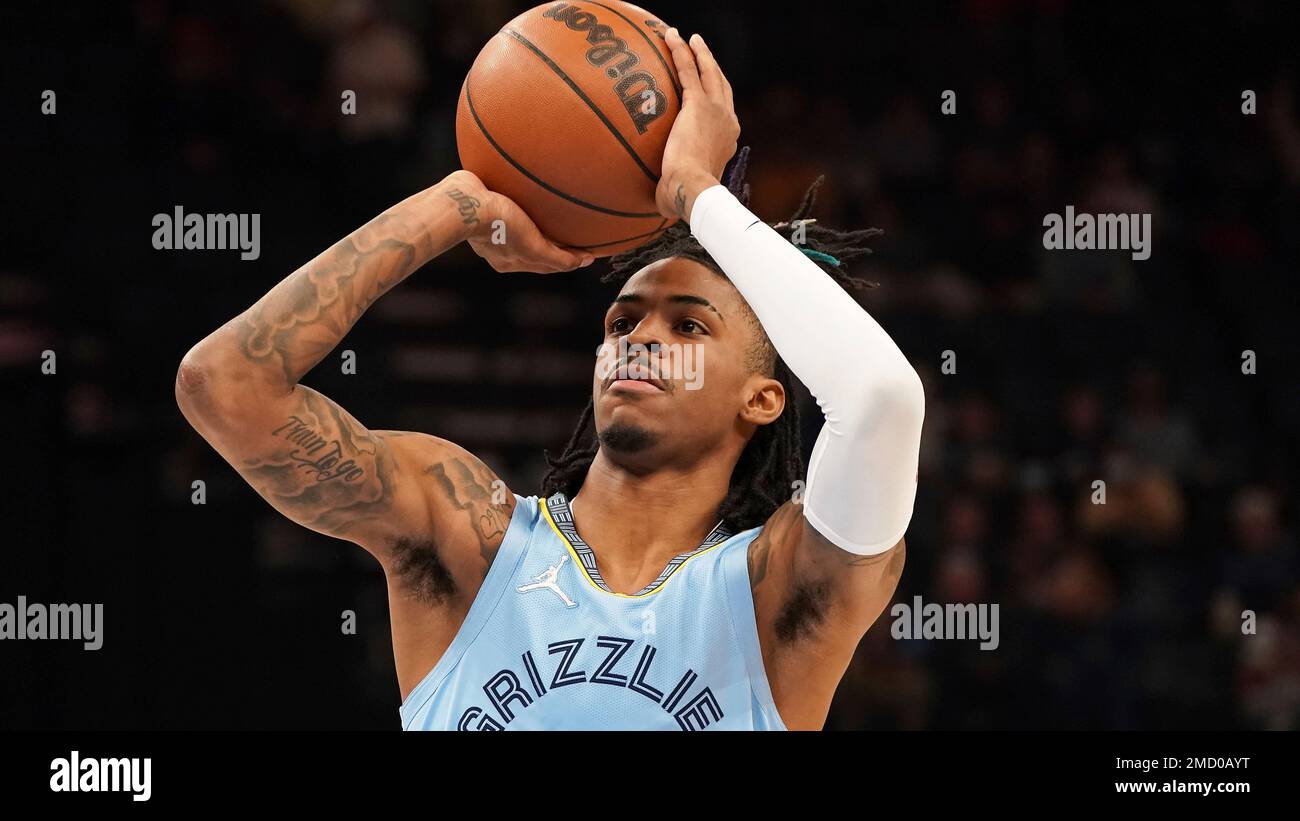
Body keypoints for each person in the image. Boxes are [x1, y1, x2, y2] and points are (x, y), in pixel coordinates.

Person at [175, 28, 923, 730]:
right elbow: (225, 384)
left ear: (761, 398)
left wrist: (698, 193)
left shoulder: (777, 593)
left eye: (688, 325)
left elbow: (882, 399)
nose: (641, 340)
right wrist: (456, 204)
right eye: (622, 323)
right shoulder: (473, 541)